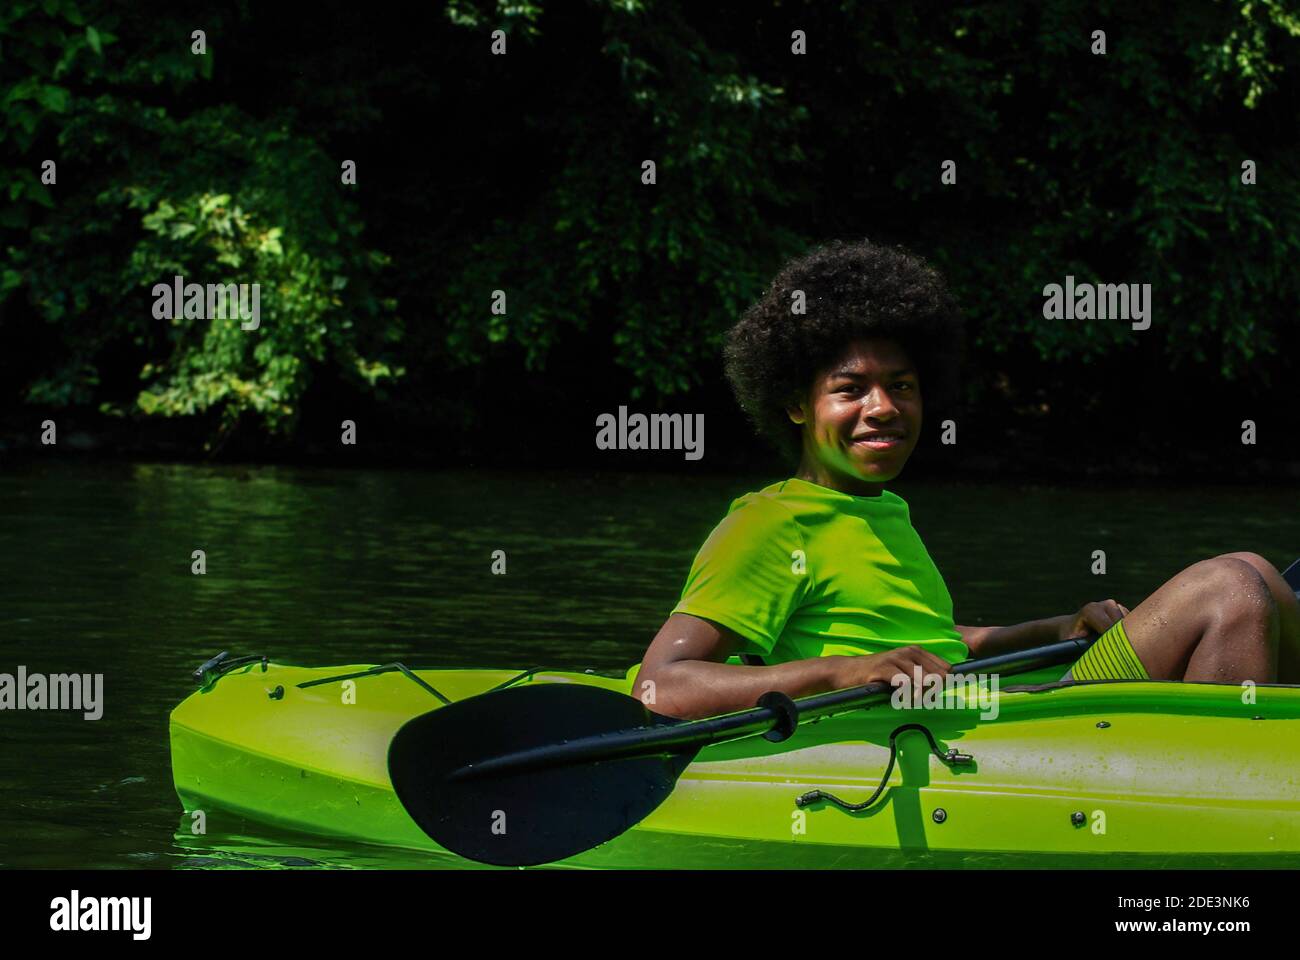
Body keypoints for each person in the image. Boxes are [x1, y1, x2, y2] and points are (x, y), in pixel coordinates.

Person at [633, 238, 1300, 720]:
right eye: (850, 389)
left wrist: (1049, 628)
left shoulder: (882, 509)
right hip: (986, 732)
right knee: (1229, 589)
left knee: (1257, 569)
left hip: (992, 705)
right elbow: (662, 686)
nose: (884, 408)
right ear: (795, 404)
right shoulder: (768, 524)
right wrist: (844, 672)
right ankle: (1231, 786)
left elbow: (940, 641)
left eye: (901, 386)